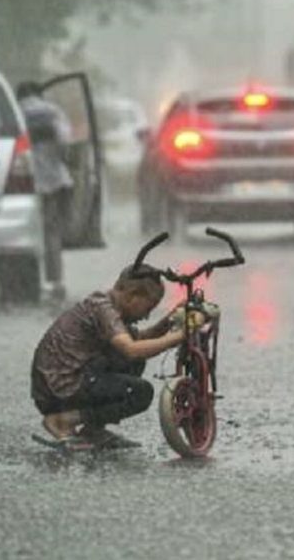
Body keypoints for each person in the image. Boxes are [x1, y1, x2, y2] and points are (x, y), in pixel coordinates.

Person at [31, 264, 192, 449]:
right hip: (59, 389)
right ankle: (62, 421)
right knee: (141, 393)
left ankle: (92, 430)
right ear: (132, 295)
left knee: (132, 362)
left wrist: (169, 321)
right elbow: (132, 348)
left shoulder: (107, 306)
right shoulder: (103, 309)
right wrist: (177, 337)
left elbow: (139, 339)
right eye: (148, 307)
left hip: (58, 385)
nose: (147, 315)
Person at [17, 81, 74, 301]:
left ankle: (27, 282)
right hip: (55, 181)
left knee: (27, 234)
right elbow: (65, 141)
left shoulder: (15, 110)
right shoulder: (52, 111)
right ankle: (55, 281)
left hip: (24, 184)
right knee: (53, 232)